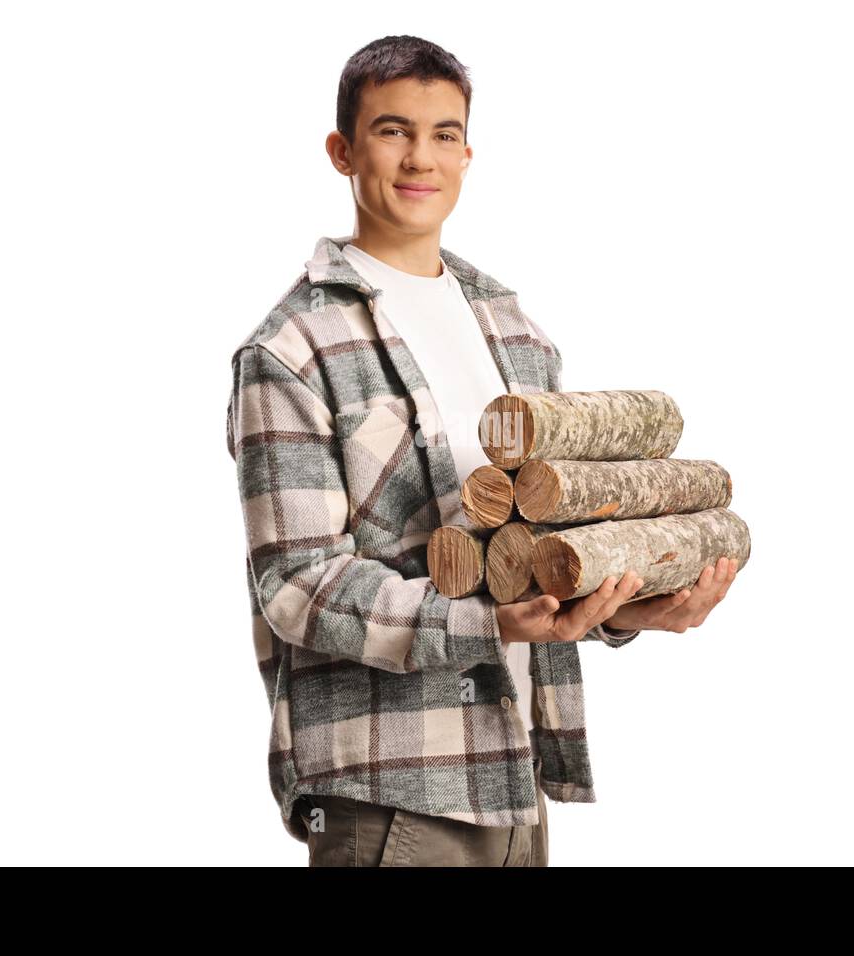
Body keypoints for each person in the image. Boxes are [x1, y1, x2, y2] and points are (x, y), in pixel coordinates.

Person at [226, 35, 738, 867]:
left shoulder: (514, 331)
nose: (420, 157)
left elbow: (534, 550)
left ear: (468, 151)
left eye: (444, 133)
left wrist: (622, 608)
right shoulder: (292, 349)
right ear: (342, 150)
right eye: (393, 132)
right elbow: (298, 585)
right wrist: (483, 619)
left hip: (515, 777)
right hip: (390, 793)